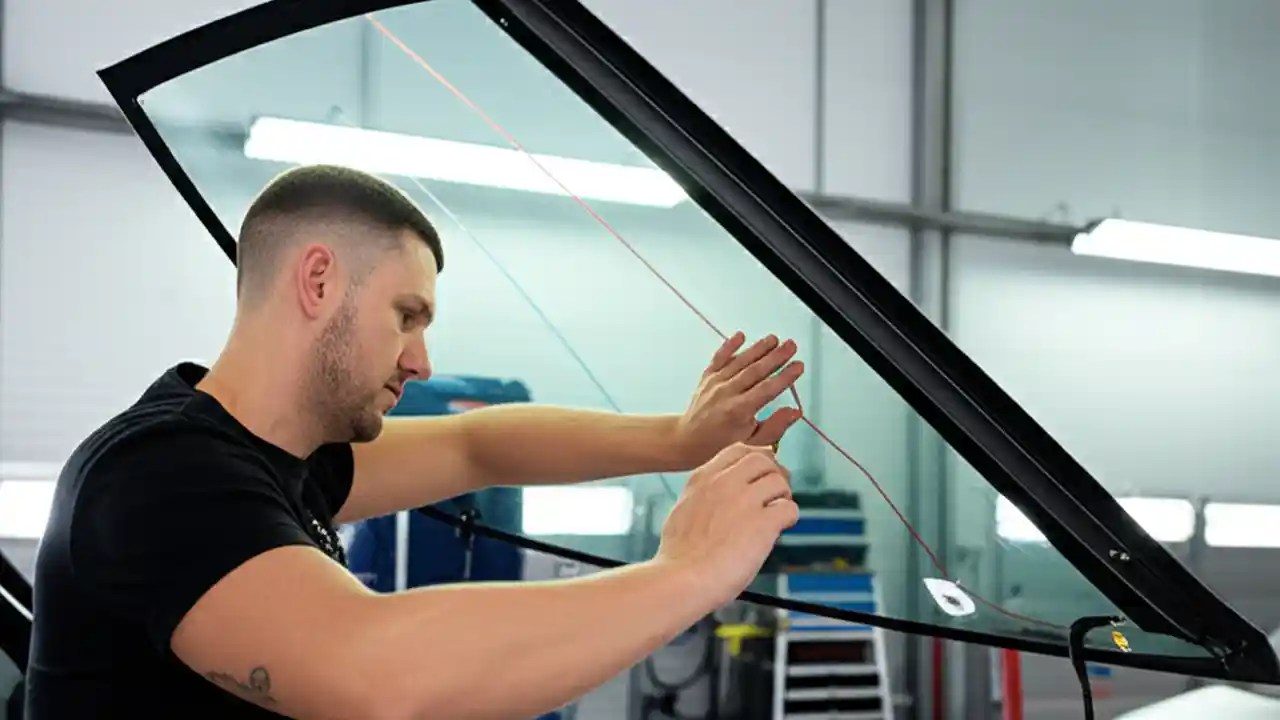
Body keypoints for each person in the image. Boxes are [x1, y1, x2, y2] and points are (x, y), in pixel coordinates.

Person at [22, 164, 805, 720]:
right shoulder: (161, 476)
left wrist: (679, 438)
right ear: (319, 280)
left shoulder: (281, 461)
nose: (421, 360)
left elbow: (480, 447)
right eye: (407, 315)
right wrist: (688, 573)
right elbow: (377, 678)